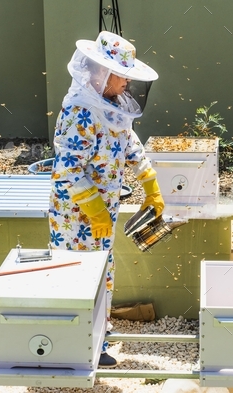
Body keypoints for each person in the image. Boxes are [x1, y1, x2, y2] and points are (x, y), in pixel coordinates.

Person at [48, 31, 165, 368]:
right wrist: (95, 209)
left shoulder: (112, 106)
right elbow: (67, 169)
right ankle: (74, 347)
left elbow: (128, 141)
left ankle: (97, 338)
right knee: (75, 276)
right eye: (122, 75)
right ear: (102, 73)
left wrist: (150, 182)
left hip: (103, 212)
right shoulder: (79, 109)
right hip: (75, 218)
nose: (127, 82)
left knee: (102, 274)